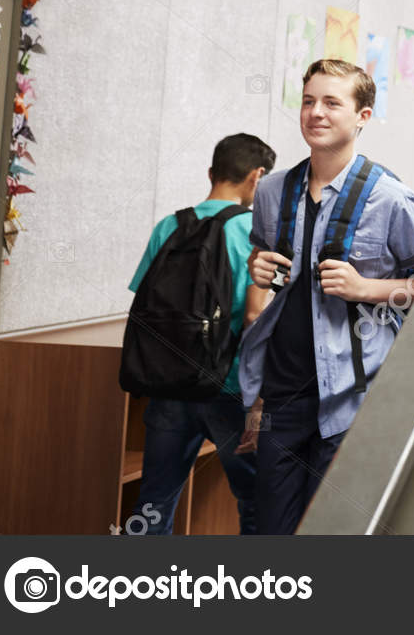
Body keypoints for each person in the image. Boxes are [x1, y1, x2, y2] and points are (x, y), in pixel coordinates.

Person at [242, 59, 414, 534]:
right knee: (271, 530)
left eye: (332, 102)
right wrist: (257, 267)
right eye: (308, 101)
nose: (316, 113)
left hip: (354, 396)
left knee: (335, 531)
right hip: (282, 395)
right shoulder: (270, 190)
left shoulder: (392, 197)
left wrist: (367, 288)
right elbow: (264, 257)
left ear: (363, 116)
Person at [126, 133, 275, 534]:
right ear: (257, 177)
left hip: (169, 384)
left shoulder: (168, 226)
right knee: (256, 501)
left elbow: (142, 300)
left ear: (212, 172)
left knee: (153, 502)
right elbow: (256, 316)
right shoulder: (254, 232)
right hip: (230, 386)